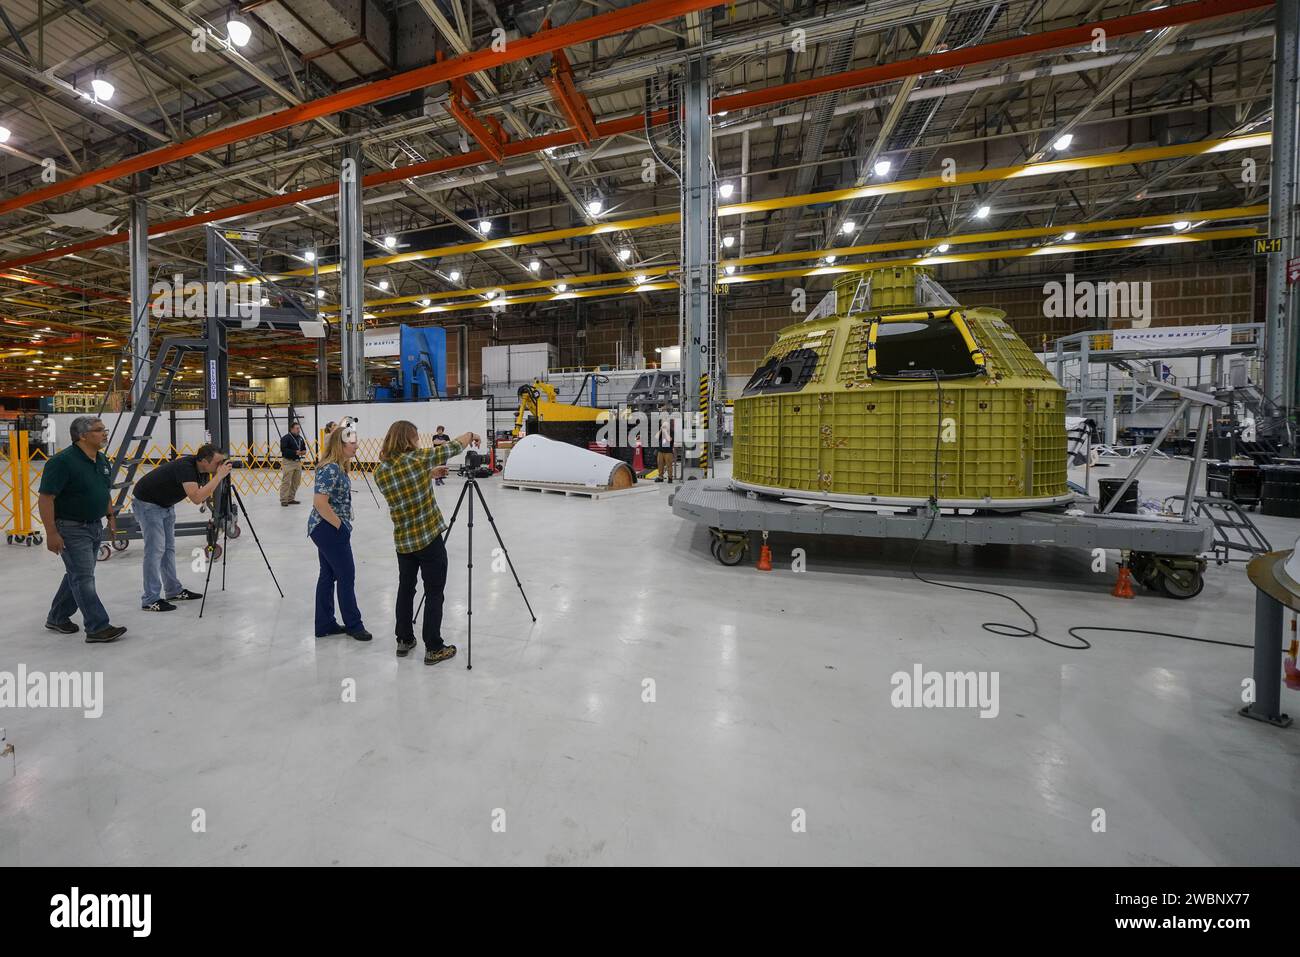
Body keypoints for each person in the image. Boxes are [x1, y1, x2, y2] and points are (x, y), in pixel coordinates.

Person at [374, 420, 478, 666]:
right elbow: (451, 448)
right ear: (409, 439)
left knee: (406, 590)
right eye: (416, 438)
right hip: (428, 539)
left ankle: (404, 638)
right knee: (434, 592)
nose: (418, 442)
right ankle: (434, 647)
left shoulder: (381, 471)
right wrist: (471, 433)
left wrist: (428, 474)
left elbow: (403, 483)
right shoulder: (418, 459)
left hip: (403, 541)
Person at [37, 415, 127, 643]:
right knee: (84, 577)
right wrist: (51, 533)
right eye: (99, 430)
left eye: (104, 429)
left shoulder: (101, 459)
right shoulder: (61, 462)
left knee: (77, 574)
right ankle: (97, 626)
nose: (104, 433)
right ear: (82, 436)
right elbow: (46, 498)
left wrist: (111, 516)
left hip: (94, 525)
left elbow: (103, 490)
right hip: (70, 527)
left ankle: (57, 617)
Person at [130, 444, 233, 612]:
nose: (220, 466)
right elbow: (197, 497)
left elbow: (204, 493)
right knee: (155, 551)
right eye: (218, 462)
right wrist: (219, 477)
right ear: (203, 461)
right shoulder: (186, 468)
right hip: (148, 504)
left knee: (168, 549)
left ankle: (173, 590)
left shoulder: (203, 470)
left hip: (165, 505)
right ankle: (150, 599)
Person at [308, 426, 371, 641]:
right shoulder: (331, 469)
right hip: (328, 528)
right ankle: (354, 625)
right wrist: (340, 527)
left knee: (328, 576)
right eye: (352, 442)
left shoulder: (337, 467)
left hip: (326, 527)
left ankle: (325, 623)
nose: (356, 446)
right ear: (340, 445)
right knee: (346, 576)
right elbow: (319, 503)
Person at [279, 421, 307, 506]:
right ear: (291, 429)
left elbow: (303, 448)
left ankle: (291, 498)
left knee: (296, 481)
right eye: (297, 428)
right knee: (286, 481)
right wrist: (295, 452)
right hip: (288, 462)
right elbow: (284, 450)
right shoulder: (285, 438)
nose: (299, 430)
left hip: (297, 462)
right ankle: (284, 500)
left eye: (299, 428)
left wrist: (303, 451)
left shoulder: (300, 438)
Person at [655, 406, 676, 484]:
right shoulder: (662, 430)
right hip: (661, 451)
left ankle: (670, 478)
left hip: (668, 451)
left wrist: (665, 432)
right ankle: (660, 477)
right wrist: (661, 430)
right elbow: (656, 437)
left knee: (669, 465)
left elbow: (670, 439)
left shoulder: (671, 431)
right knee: (660, 465)